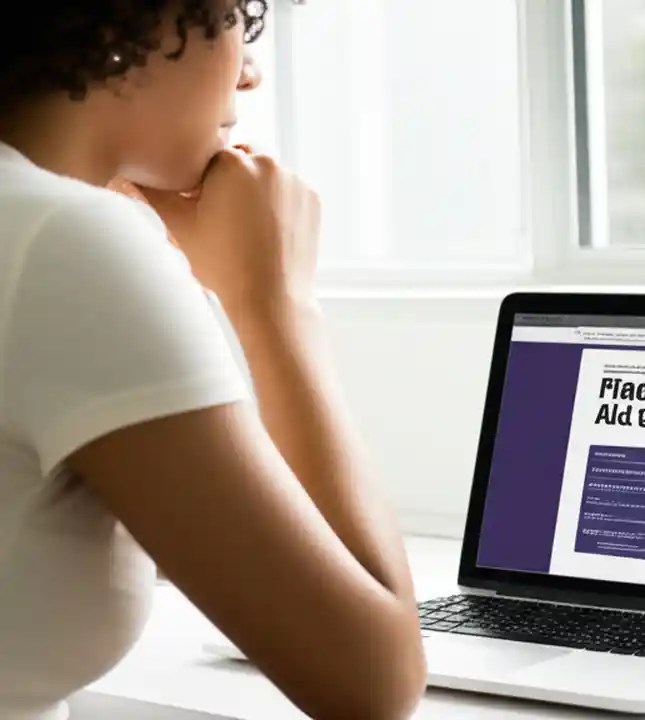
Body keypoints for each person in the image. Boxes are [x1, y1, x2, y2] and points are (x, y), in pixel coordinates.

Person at [0, 2, 428, 718]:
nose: (251, 72)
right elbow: (372, 684)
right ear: (131, 28)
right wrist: (274, 303)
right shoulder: (62, 241)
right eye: (239, 19)